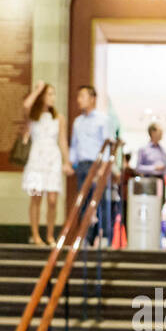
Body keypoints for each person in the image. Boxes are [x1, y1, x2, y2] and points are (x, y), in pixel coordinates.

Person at [21, 81, 71, 246]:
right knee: (36, 198)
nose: (52, 98)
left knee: (52, 200)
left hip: (53, 158)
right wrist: (37, 90)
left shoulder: (59, 118)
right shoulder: (32, 116)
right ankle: (35, 235)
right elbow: (26, 105)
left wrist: (67, 162)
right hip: (37, 158)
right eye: (49, 94)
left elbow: (62, 141)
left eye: (53, 94)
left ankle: (50, 235)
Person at [68, 84, 112, 244]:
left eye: (82, 96)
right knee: (83, 201)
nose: (79, 100)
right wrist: (71, 164)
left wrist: (103, 168)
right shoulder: (77, 122)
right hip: (82, 166)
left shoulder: (103, 120)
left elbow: (107, 145)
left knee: (100, 201)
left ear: (93, 99)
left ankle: (105, 236)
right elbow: (74, 145)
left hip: (98, 165)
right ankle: (86, 237)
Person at [134, 123, 166, 248]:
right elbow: (138, 168)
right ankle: (146, 239)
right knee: (149, 211)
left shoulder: (163, 150)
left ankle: (157, 240)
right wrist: (154, 168)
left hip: (161, 182)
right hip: (149, 183)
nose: (162, 134)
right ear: (152, 132)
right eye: (159, 131)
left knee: (159, 210)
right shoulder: (144, 150)